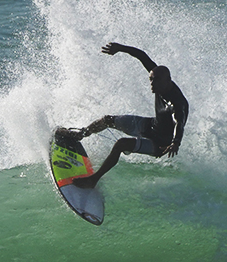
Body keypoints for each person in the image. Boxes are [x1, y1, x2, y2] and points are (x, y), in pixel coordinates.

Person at [59, 42, 188, 189]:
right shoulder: (159, 78)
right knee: (108, 120)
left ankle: (93, 180)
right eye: (150, 79)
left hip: (160, 143)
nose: (152, 83)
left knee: (121, 144)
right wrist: (120, 48)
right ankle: (80, 134)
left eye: (156, 81)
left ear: (168, 81)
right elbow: (142, 55)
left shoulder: (177, 103)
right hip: (151, 125)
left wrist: (175, 142)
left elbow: (180, 122)